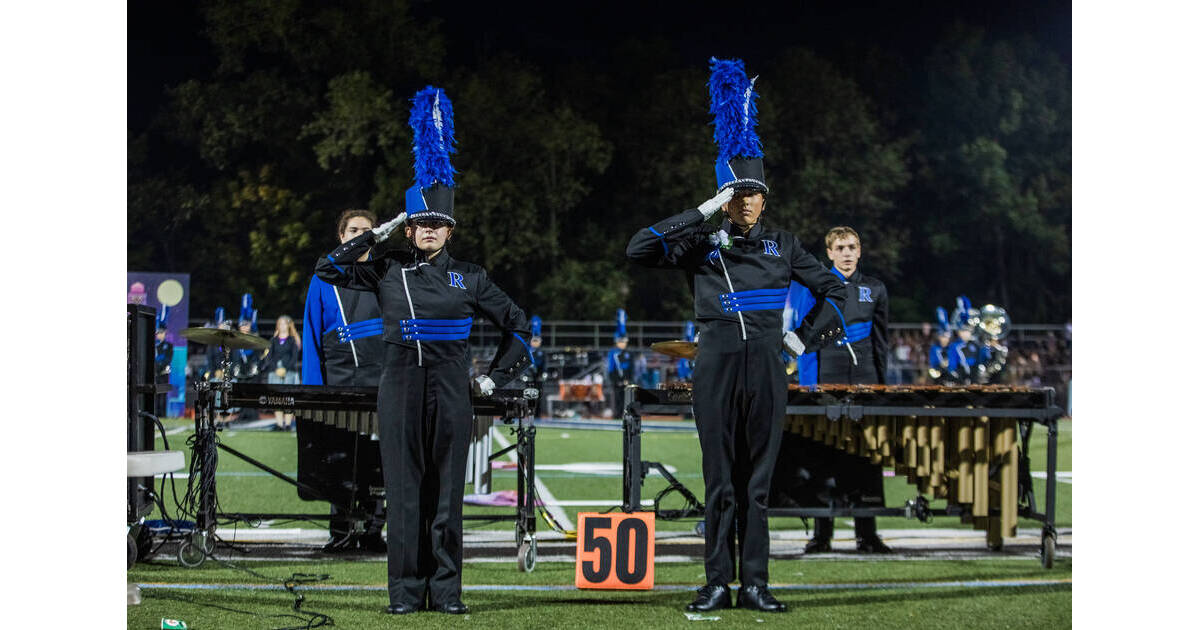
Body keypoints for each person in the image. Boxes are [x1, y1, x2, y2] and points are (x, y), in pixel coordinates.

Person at [626, 58, 847, 614]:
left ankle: (755, 583)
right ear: (724, 196)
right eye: (735, 193)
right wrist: (698, 214)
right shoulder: (701, 244)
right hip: (717, 365)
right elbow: (638, 249)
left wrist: (800, 343)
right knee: (720, 481)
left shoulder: (785, 245)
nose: (744, 201)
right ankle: (716, 582)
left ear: (764, 199)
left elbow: (837, 294)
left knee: (758, 484)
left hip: (769, 368)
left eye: (753, 193)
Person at [315, 86, 532, 616]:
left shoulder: (470, 276)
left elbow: (520, 329)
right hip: (399, 386)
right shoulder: (386, 268)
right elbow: (327, 268)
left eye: (438, 223)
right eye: (420, 223)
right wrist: (382, 229)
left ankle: (448, 592)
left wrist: (492, 379)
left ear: (449, 229)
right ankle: (406, 594)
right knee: (405, 493)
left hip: (452, 389)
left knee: (445, 496)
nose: (429, 230)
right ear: (409, 227)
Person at [788, 227, 892, 554]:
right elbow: (805, 340)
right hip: (826, 384)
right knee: (823, 459)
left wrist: (880, 388)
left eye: (852, 247)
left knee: (866, 458)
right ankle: (822, 535)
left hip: (865, 384)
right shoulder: (814, 287)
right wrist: (809, 388)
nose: (846, 253)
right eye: (840, 248)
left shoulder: (875, 289)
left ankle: (868, 534)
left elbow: (881, 343)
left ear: (859, 251)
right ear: (829, 253)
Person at [301, 208, 388, 552]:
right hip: (337, 380)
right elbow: (310, 334)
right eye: (353, 230)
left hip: (380, 378)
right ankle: (340, 532)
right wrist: (313, 389)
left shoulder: (384, 273)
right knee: (339, 457)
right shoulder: (323, 277)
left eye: (366, 230)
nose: (359, 235)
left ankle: (374, 531)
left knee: (378, 458)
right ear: (341, 236)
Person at [265, 315, 302, 430]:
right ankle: (279, 424)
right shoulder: (273, 340)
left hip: (289, 372)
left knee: (288, 399)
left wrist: (285, 368)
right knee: (277, 399)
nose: (282, 326)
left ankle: (287, 424)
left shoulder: (292, 340)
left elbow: (294, 357)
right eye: (280, 324)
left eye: (284, 324)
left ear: (289, 325)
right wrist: (276, 368)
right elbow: (269, 357)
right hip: (275, 373)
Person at [605, 309, 634, 418]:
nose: (623, 344)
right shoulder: (613, 353)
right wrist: (616, 380)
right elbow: (611, 368)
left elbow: (631, 367)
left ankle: (626, 415)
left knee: (627, 400)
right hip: (617, 381)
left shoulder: (629, 353)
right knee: (617, 399)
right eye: (621, 342)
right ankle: (617, 414)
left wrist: (629, 379)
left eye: (624, 342)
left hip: (627, 381)